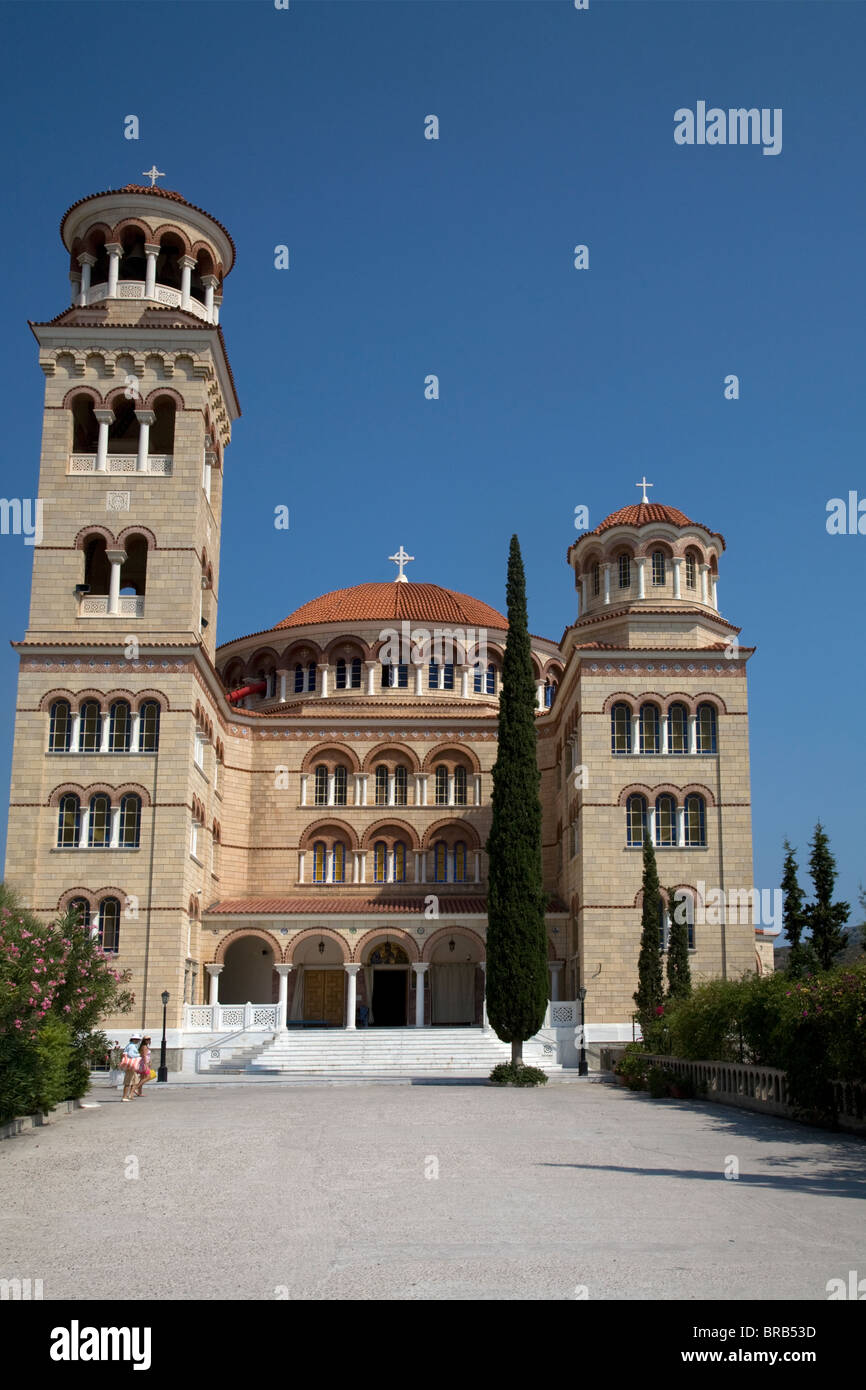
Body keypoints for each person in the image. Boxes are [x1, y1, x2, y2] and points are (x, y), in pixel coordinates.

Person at [121, 1034, 141, 1102]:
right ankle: (124, 1096)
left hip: (131, 1066)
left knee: (135, 1080)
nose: (138, 1041)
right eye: (137, 1039)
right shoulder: (132, 1046)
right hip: (131, 1066)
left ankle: (130, 1095)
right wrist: (139, 1055)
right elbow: (131, 1054)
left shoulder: (130, 1045)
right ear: (133, 1039)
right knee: (128, 1081)